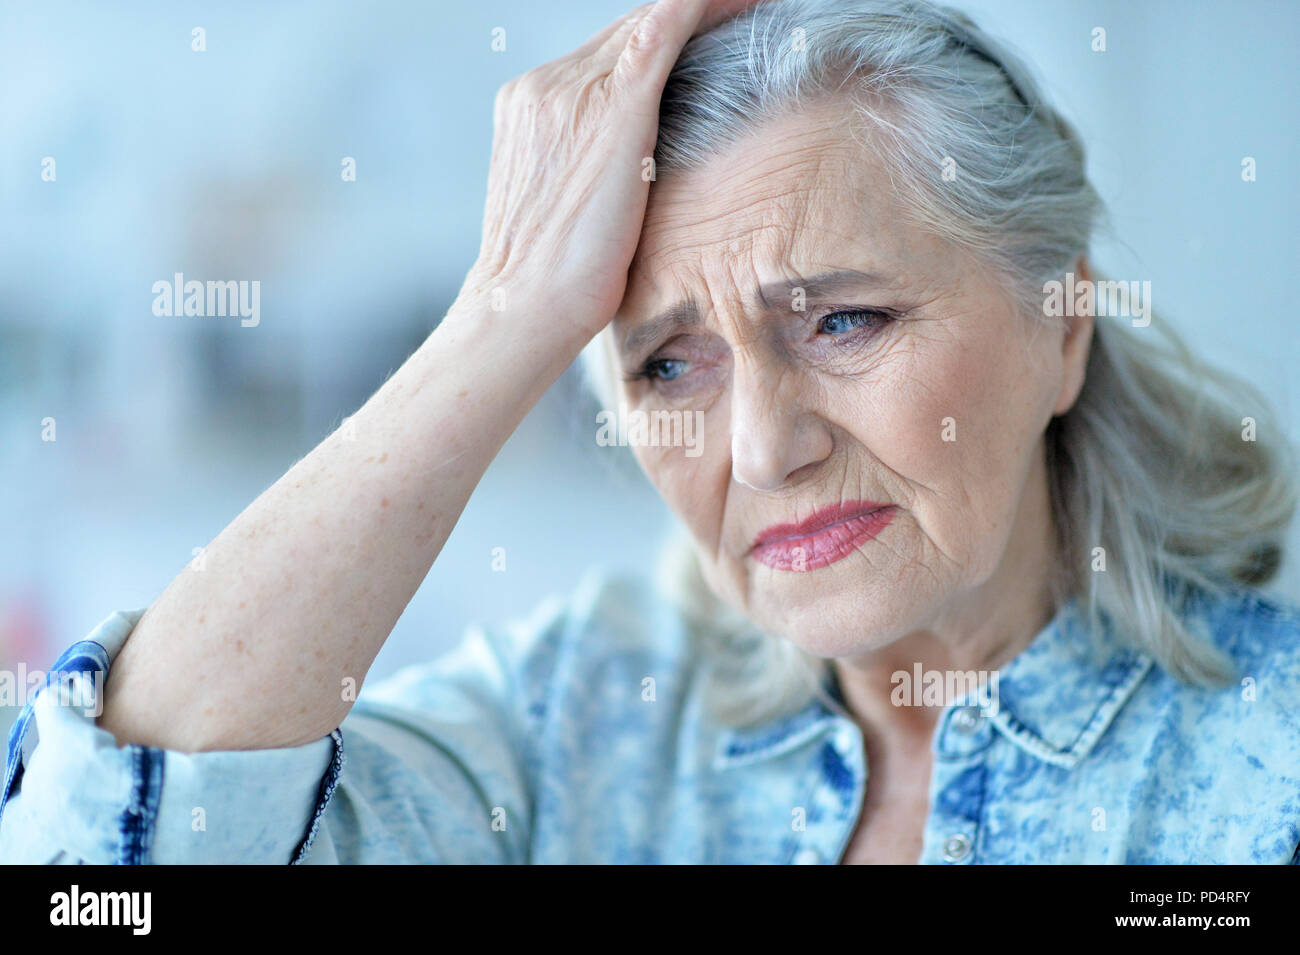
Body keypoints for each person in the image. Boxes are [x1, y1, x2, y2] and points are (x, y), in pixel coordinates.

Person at [3, 0, 1297, 864]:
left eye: (844, 323)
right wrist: (503, 315)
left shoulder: (1270, 763)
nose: (760, 449)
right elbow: (101, 860)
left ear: (1064, 324)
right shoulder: (582, 717)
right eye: (670, 364)